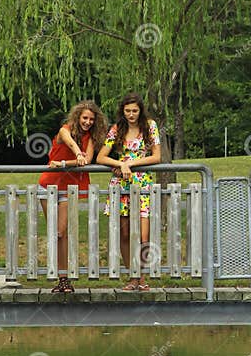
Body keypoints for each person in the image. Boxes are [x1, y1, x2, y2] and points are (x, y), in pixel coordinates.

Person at [38, 100, 108, 293]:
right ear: (78, 117)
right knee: (55, 233)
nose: (88, 122)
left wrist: (62, 163)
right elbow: (70, 142)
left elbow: (86, 160)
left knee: (61, 232)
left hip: (69, 189)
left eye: (92, 119)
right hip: (48, 185)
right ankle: (61, 279)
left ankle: (64, 278)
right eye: (85, 118)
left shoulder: (91, 138)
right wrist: (76, 154)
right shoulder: (65, 129)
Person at [97, 93, 161, 291]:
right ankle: (132, 276)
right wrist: (120, 164)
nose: (131, 114)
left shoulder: (149, 126)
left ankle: (140, 276)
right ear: (122, 111)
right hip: (121, 183)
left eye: (134, 111)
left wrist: (130, 163)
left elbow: (156, 157)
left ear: (140, 110)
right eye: (127, 111)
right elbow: (101, 157)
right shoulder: (116, 129)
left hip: (142, 182)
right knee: (124, 233)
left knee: (143, 235)